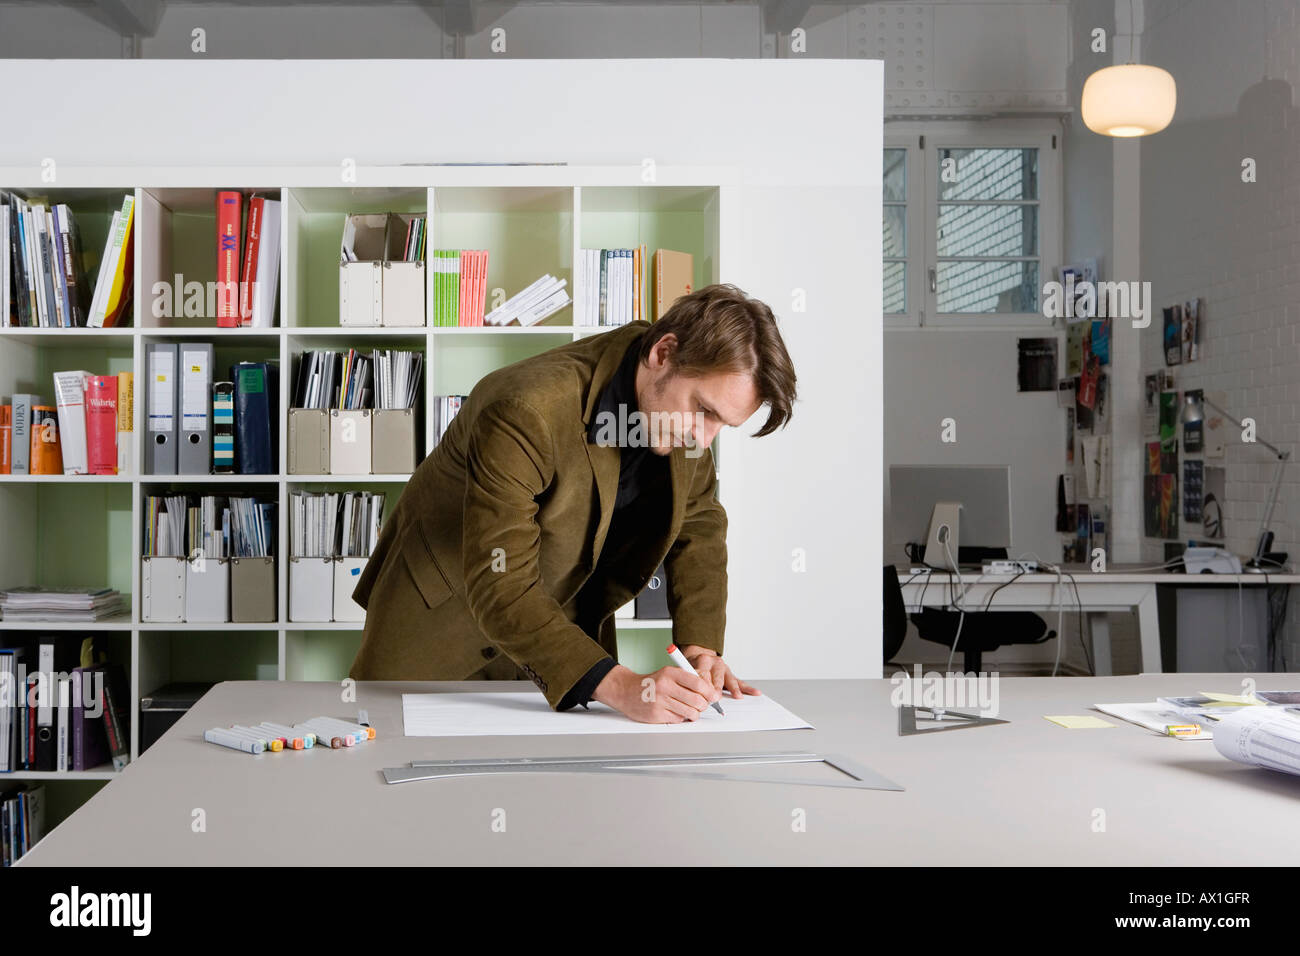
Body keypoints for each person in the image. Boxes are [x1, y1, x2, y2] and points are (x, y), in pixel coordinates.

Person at [349, 283, 798, 723]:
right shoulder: (525, 410)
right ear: (664, 353)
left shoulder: (681, 413)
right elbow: (500, 581)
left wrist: (700, 651)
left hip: (561, 637)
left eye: (722, 424)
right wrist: (624, 686)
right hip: (442, 621)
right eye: (703, 410)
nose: (703, 438)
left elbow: (698, 523)